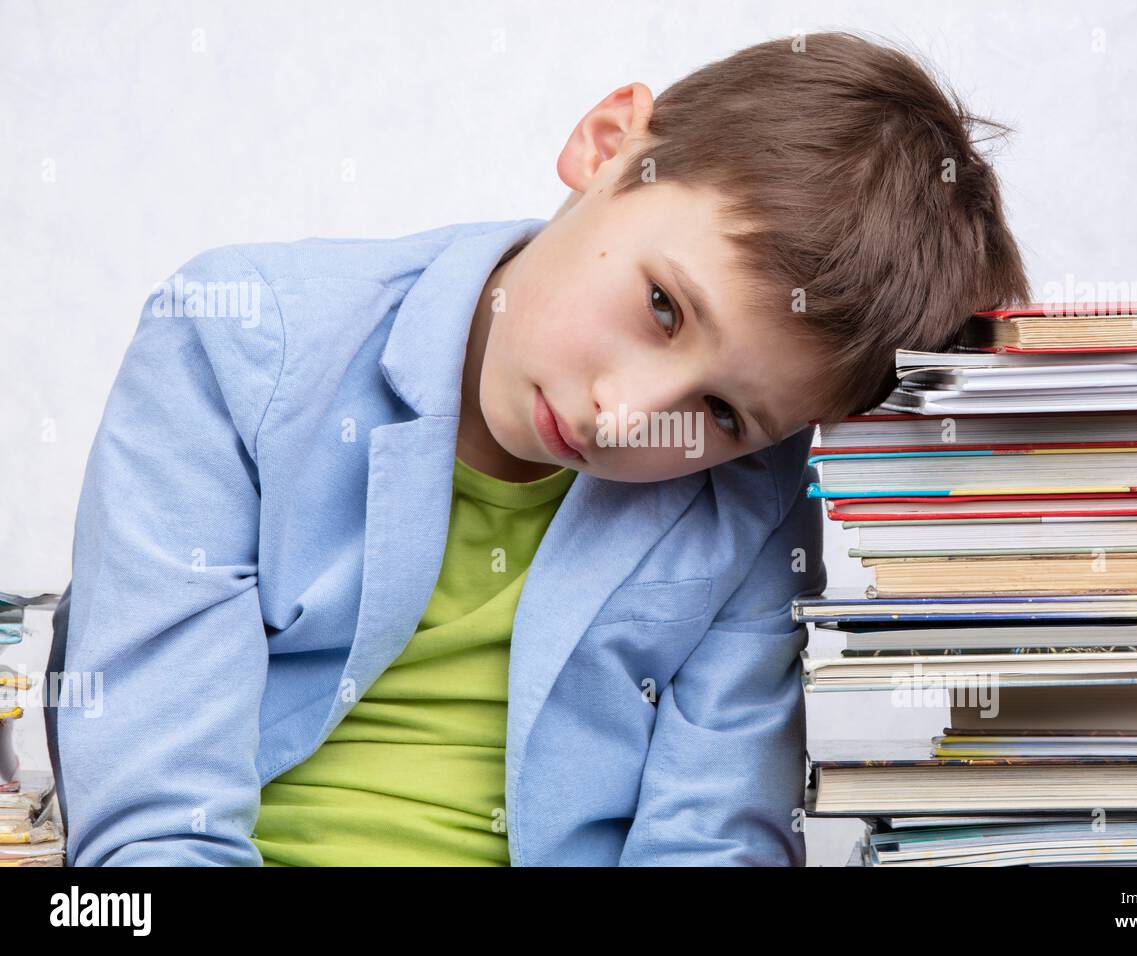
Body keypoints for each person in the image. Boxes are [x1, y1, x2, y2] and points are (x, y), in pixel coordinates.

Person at [46, 31, 1029, 866]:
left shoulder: (756, 502)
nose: (624, 414)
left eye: (724, 414)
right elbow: (150, 829)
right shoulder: (240, 341)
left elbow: (705, 843)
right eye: (661, 307)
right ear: (608, 145)